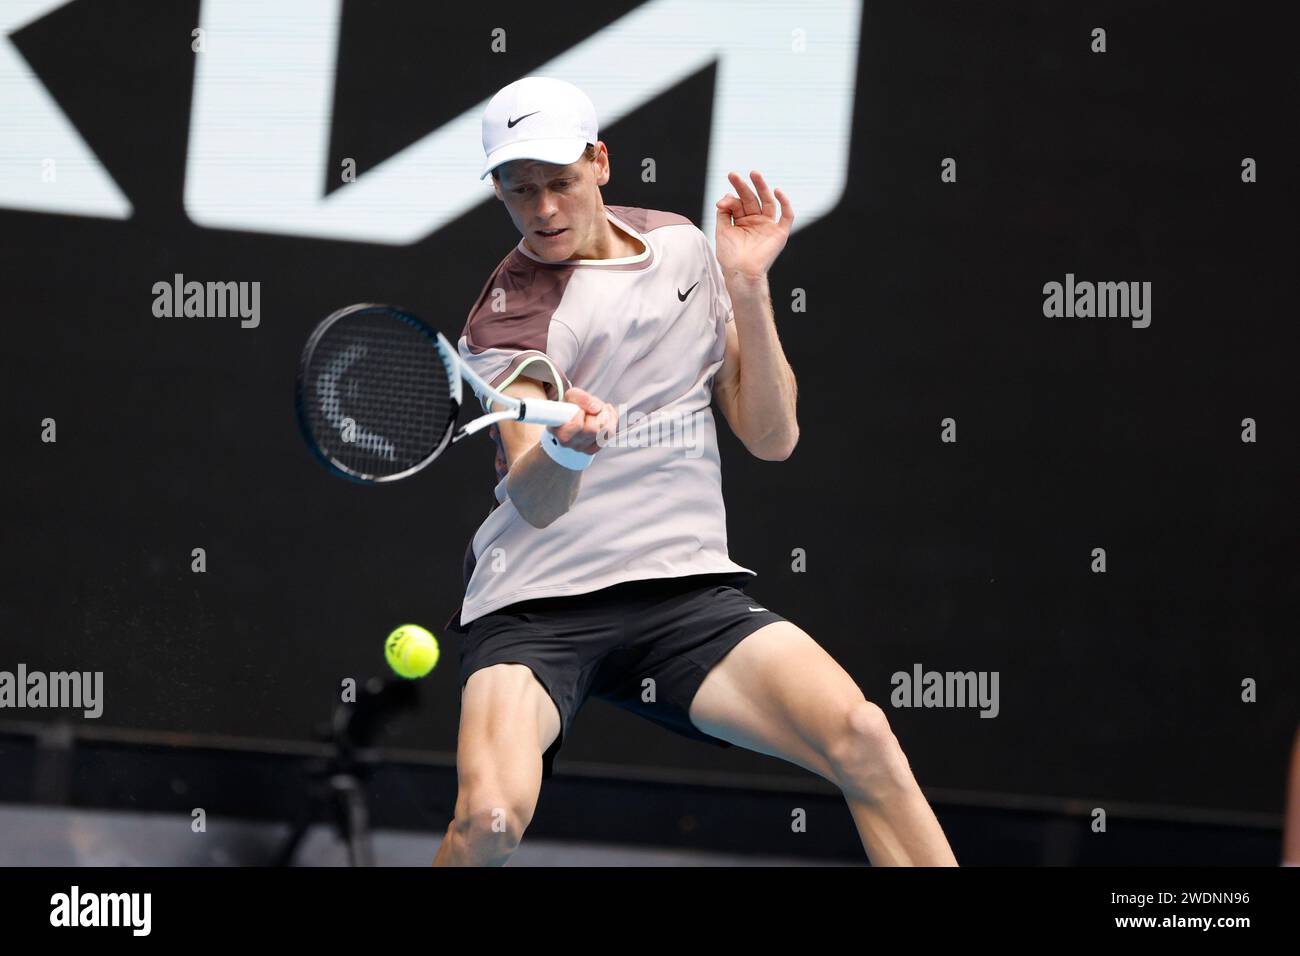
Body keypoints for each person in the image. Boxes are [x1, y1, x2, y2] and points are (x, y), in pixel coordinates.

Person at [435, 76, 956, 866]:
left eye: (560, 183)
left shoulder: (681, 246)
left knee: (864, 737)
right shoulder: (511, 319)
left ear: (600, 163)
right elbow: (534, 499)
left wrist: (747, 285)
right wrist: (570, 447)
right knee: (490, 821)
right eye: (519, 190)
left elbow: (771, 436)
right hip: (536, 608)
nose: (542, 210)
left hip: (682, 596)